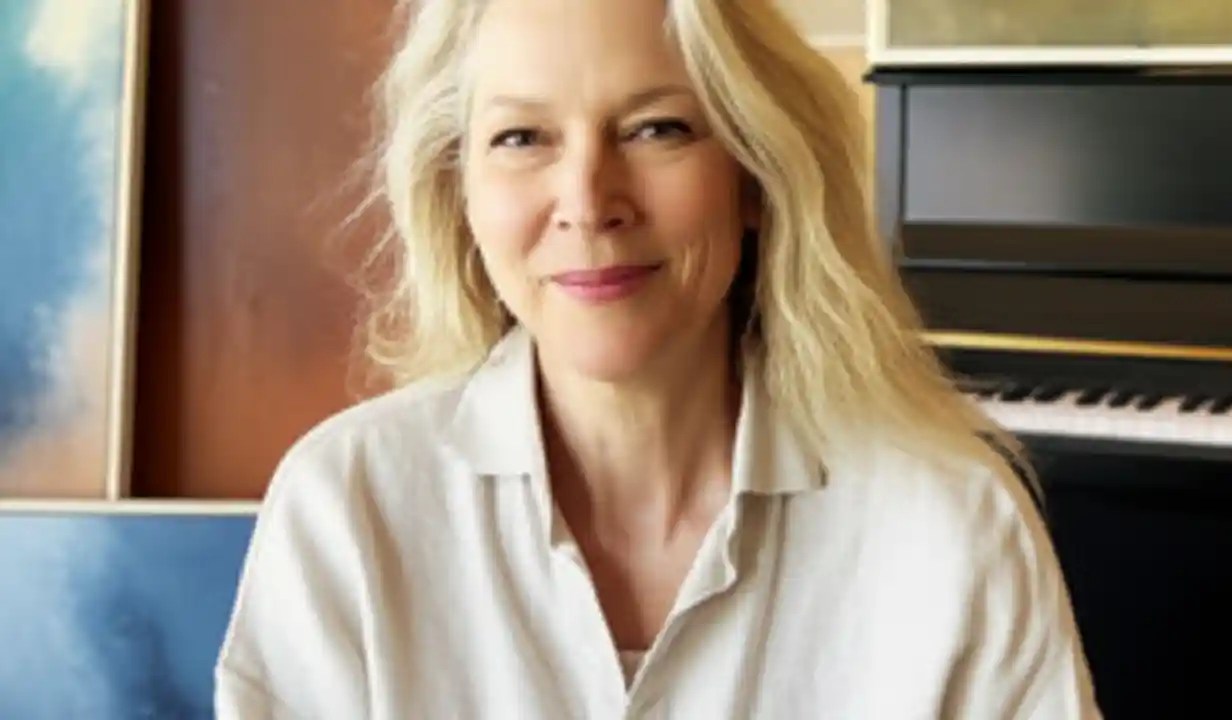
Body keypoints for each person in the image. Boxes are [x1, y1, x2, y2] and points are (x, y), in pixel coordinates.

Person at [214, 0, 1101, 717]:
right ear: (459, 193)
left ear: (757, 176)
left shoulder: (952, 527)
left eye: (656, 129)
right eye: (523, 138)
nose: (589, 201)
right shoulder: (345, 508)